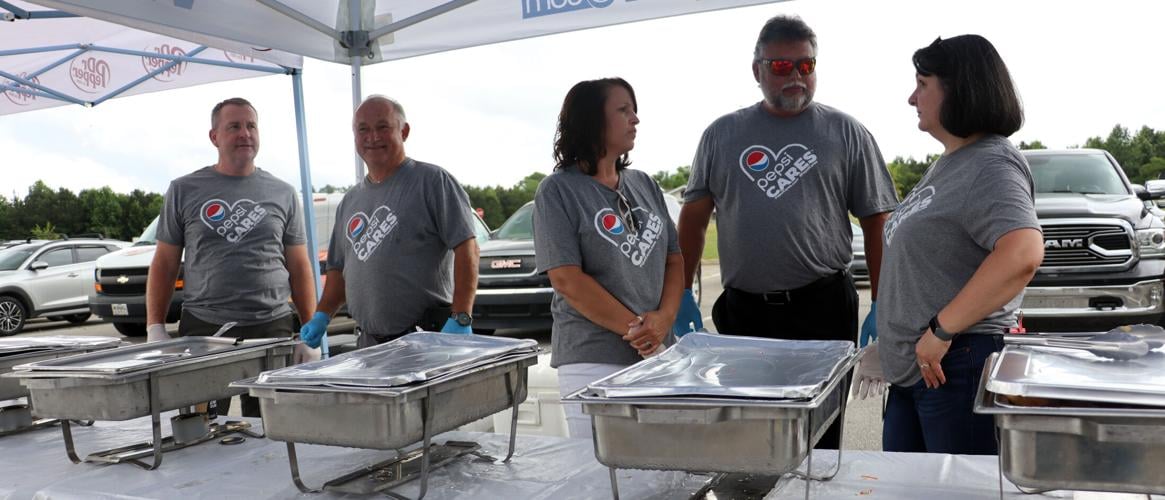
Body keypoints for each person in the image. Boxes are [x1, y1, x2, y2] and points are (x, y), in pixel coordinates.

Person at [675, 15, 898, 449]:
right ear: (756, 70)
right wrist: (682, 292)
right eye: (781, 66)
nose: (796, 75)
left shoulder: (846, 132)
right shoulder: (721, 135)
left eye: (806, 66)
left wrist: (883, 301)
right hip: (745, 314)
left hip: (822, 307)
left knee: (822, 434)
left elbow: (878, 223)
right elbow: (694, 220)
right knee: (752, 437)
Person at [876, 35, 1043, 454]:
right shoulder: (951, 163)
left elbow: (1022, 252)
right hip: (921, 371)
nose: (911, 98)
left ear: (958, 88)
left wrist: (941, 328)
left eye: (923, 84)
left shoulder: (990, 162)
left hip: (956, 365)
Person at [146, 97, 318, 417]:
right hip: (205, 328)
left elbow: (298, 265)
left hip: (272, 326)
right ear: (214, 137)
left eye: (251, 126)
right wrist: (154, 325)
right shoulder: (184, 189)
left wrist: (310, 330)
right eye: (234, 126)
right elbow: (165, 263)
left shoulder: (282, 192)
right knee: (199, 426)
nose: (245, 134)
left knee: (274, 427)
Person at [535, 77, 684, 439]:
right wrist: (640, 332)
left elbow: (674, 259)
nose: (635, 119)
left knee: (663, 473)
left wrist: (663, 319)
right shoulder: (558, 191)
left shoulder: (644, 183)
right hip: (592, 358)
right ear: (591, 119)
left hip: (658, 353)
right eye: (623, 110)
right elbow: (567, 279)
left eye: (634, 110)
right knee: (600, 478)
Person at [298, 95, 479, 349]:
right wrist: (321, 315)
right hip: (369, 343)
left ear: (403, 131)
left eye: (383, 127)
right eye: (363, 130)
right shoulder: (350, 201)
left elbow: (467, 248)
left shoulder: (433, 182)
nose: (373, 137)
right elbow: (338, 270)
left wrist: (461, 316)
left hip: (425, 339)